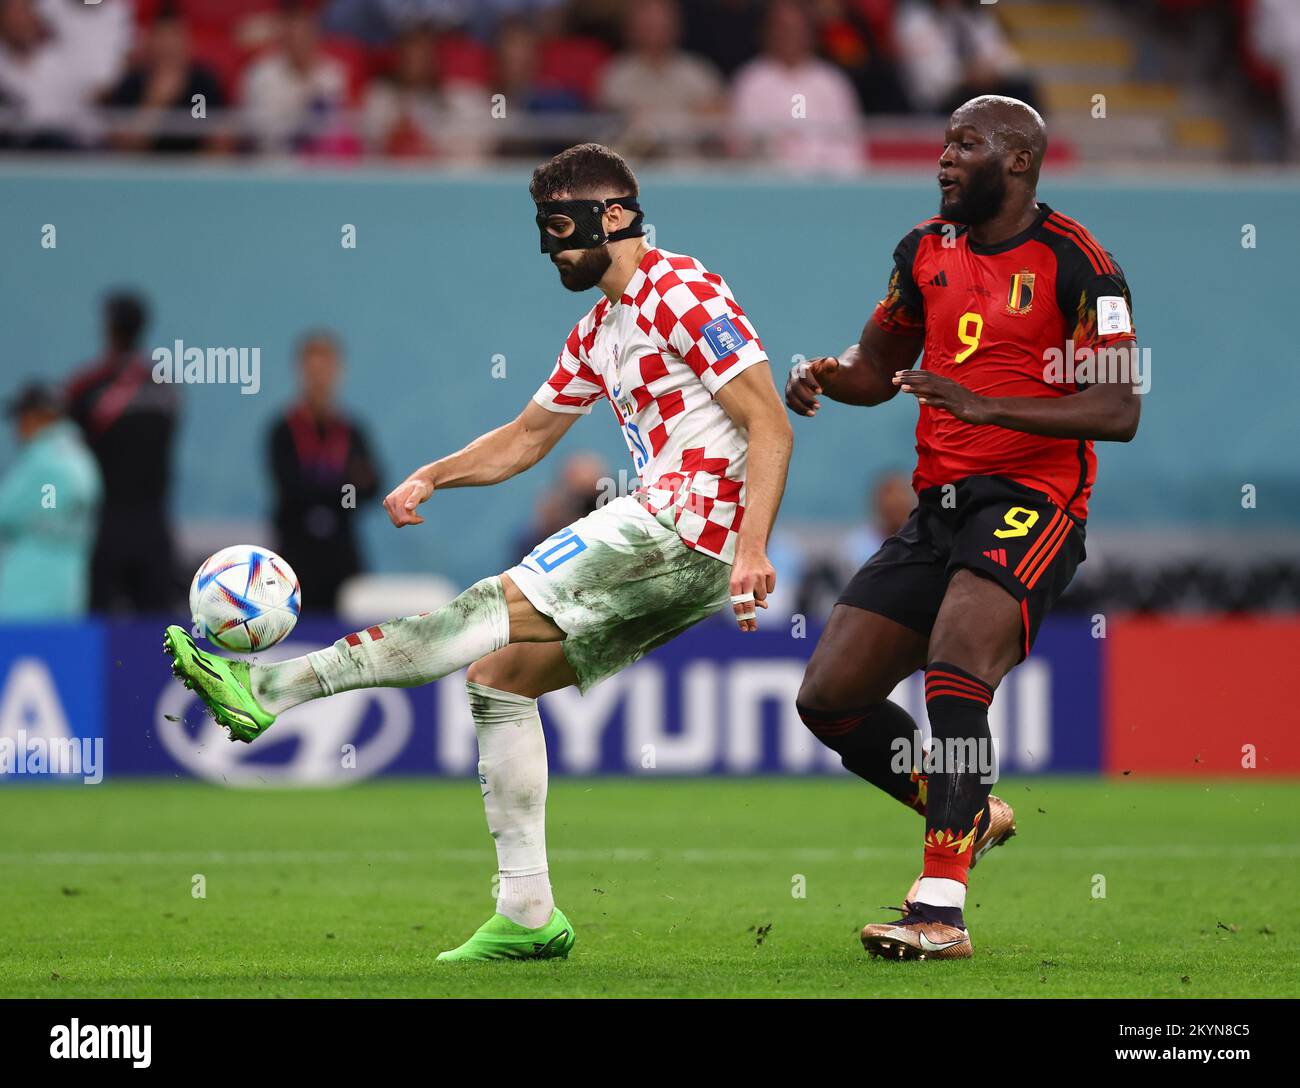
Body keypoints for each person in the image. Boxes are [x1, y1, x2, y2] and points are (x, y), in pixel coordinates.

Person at [164, 142, 793, 961]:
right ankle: (529, 913)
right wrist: (435, 474)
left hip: (681, 525)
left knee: (479, 615)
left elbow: (769, 422)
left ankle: (267, 691)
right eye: (544, 231)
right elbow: (529, 437)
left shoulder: (681, 290)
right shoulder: (601, 328)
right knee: (497, 681)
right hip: (679, 549)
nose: (556, 248)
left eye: (565, 227)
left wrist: (751, 549)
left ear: (615, 216)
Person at [785, 95, 1140, 959]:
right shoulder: (924, 251)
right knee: (830, 698)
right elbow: (880, 368)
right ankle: (970, 809)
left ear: (1018, 160)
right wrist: (827, 377)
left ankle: (939, 908)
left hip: (1033, 498)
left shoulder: (1079, 264)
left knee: (954, 670)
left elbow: (1120, 408)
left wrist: (985, 403)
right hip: (937, 506)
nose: (944, 157)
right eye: (945, 142)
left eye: (966, 143)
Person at [65, 291, 181, 614]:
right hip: (154, 523)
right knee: (160, 630)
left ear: (109, 329)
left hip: (107, 522)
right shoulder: (166, 388)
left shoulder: (86, 388)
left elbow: (73, 443)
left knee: (100, 623)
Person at [267, 331, 382, 612]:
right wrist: (344, 481)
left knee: (348, 638)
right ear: (301, 372)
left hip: (342, 552)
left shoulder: (352, 431)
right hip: (294, 553)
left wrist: (324, 485)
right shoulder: (283, 430)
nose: (319, 378)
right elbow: (290, 488)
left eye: (326, 369)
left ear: (338, 372)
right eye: (312, 369)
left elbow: (371, 488)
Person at [0, 382, 101, 619]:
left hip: (24, 597)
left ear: (39, 417)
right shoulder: (83, 458)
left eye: (22, 417)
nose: (17, 427)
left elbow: (4, 511)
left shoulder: (40, 460)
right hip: (69, 595)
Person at [730, 0, 864, 174]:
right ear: (768, 31)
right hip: (768, 185)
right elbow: (741, 146)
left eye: (796, 29)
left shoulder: (832, 82)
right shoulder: (750, 82)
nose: (789, 37)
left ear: (809, 32)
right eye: (782, 29)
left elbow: (850, 147)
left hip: (826, 185)